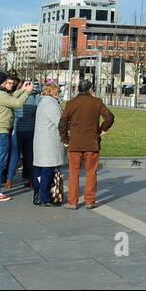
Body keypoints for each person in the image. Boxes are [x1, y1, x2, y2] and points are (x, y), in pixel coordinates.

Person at [59, 79, 115, 209]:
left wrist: (65, 139)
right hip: (92, 142)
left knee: (74, 173)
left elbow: (62, 124)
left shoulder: (71, 103)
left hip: (75, 143)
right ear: (90, 89)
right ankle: (90, 201)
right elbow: (110, 118)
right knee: (91, 172)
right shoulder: (97, 102)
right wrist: (102, 129)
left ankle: (72, 201)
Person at [0, 73, 33, 202]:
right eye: (5, 82)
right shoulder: (0, 94)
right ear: (1, 82)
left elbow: (9, 98)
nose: (7, 84)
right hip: (0, 132)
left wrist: (21, 90)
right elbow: (17, 103)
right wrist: (27, 92)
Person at [32, 83, 67, 206]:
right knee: (48, 170)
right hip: (49, 143)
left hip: (40, 141)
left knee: (38, 170)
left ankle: (37, 195)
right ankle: (45, 197)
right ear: (54, 93)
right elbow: (60, 122)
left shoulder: (42, 103)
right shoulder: (52, 104)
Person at [8, 89, 38, 190]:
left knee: (14, 156)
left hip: (18, 130)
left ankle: (9, 179)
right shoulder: (35, 98)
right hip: (30, 130)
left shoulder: (16, 97)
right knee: (29, 157)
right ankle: (31, 179)